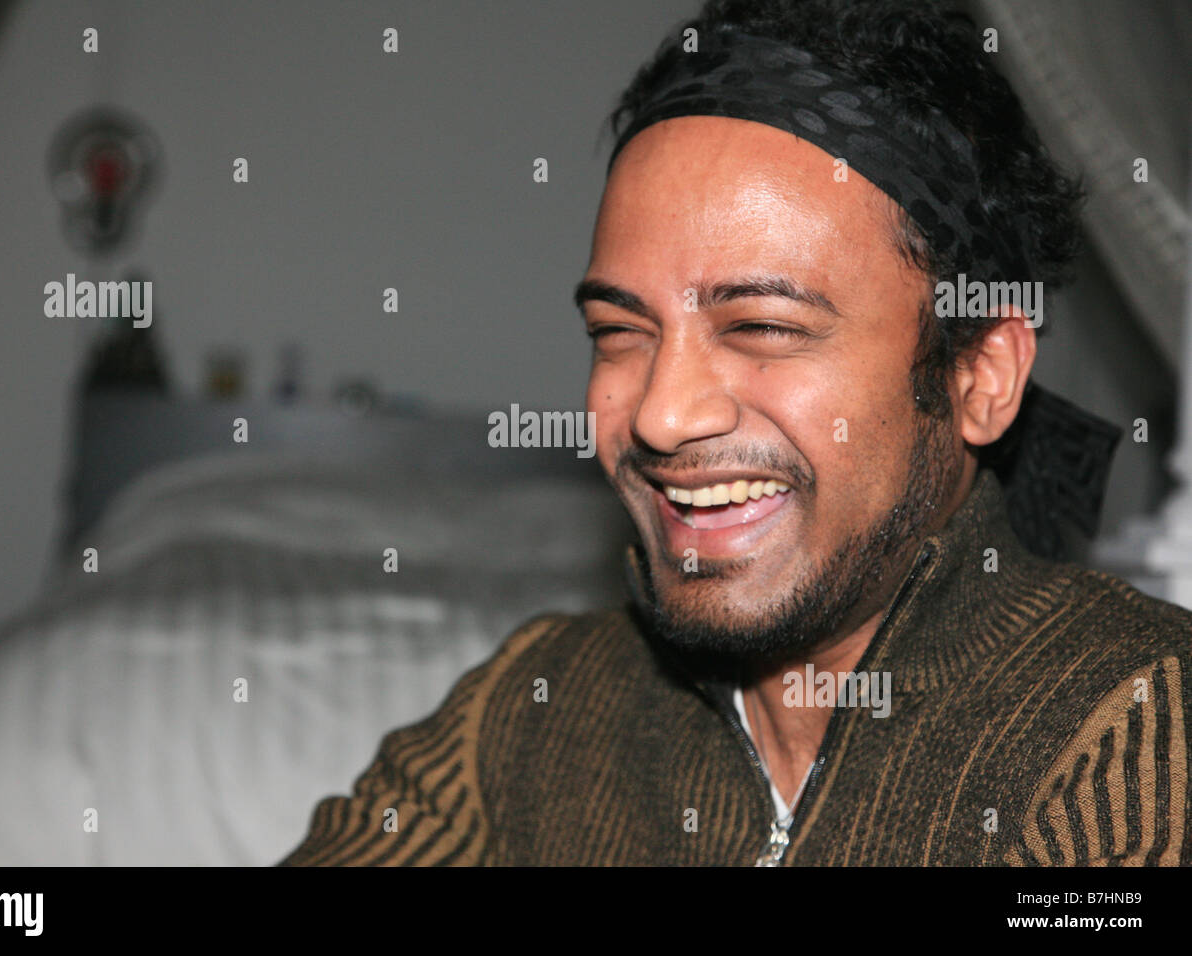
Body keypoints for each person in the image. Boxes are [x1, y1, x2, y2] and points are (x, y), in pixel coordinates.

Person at [281, 0, 1192, 866]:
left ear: (980, 374)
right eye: (619, 333)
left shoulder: (1135, 728)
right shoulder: (533, 709)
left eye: (762, 326)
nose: (660, 414)